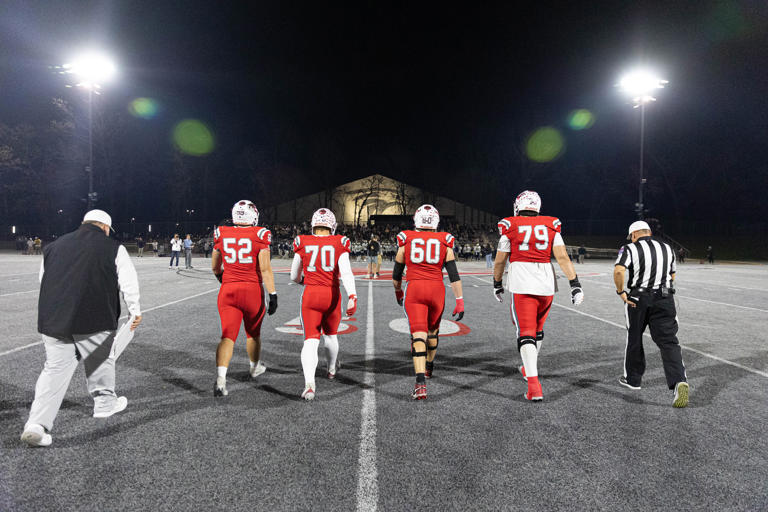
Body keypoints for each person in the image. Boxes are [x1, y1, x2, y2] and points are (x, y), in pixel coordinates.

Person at [20, 209, 142, 447]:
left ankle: (36, 424)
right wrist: (134, 310)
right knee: (100, 358)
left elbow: (44, 281)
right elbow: (128, 281)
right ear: (105, 228)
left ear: (84, 223)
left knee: (54, 370)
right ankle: (104, 403)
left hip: (55, 319)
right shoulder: (114, 247)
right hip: (94, 317)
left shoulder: (54, 246)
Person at [493, 190, 584, 402]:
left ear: (518, 206)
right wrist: (575, 284)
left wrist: (497, 283)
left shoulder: (510, 225)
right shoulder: (551, 224)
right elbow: (561, 256)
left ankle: (534, 386)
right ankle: (527, 370)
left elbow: (499, 261)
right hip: (546, 281)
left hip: (522, 279)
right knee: (538, 329)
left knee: (525, 332)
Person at [614, 220, 689, 408]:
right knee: (669, 341)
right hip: (664, 298)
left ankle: (633, 379)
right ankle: (679, 381)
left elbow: (619, 271)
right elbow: (672, 275)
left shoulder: (629, 248)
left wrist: (621, 291)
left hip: (638, 299)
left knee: (635, 338)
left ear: (633, 235)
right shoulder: (667, 248)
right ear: (648, 232)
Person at [393, 204, 464, 400]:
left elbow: (396, 273)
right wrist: (460, 300)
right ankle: (429, 367)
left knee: (418, 335)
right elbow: (454, 275)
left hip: (415, 289)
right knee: (433, 331)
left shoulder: (406, 239)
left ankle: (420, 384)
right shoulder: (444, 241)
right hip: (436, 290)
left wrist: (398, 292)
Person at [211, 200, 278, 397]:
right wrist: (273, 294)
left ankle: (221, 379)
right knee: (253, 334)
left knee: (227, 336)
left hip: (228, 290)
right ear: (253, 215)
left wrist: (226, 281)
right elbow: (265, 269)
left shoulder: (221, 233)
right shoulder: (260, 235)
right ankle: (254, 367)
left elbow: (215, 267)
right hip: (252, 291)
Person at [290, 208, 357, 400]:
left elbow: (294, 276)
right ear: (332, 225)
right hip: (332, 294)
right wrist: (352, 295)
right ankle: (331, 369)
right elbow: (345, 272)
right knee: (331, 336)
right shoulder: (339, 242)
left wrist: (305, 281)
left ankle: (309, 385)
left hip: (311, 294)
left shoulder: (302, 241)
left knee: (310, 340)